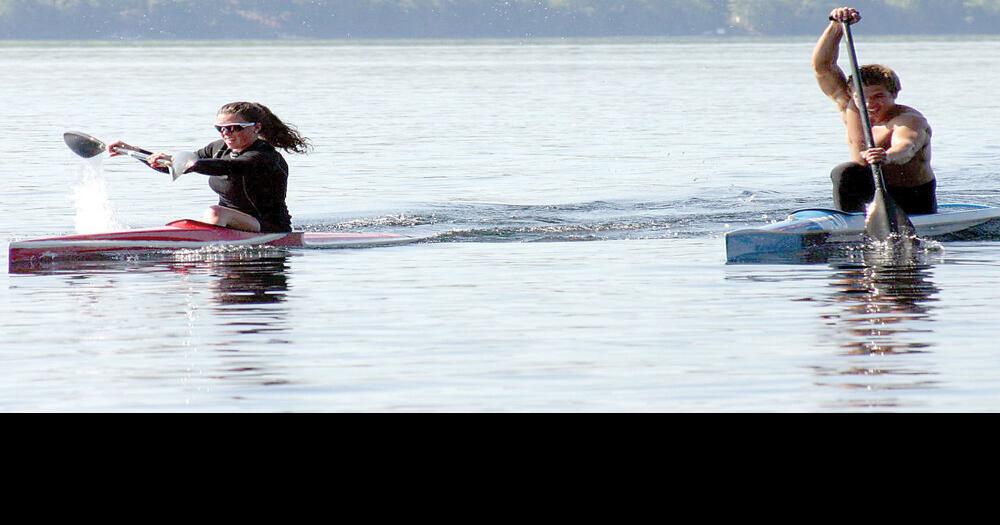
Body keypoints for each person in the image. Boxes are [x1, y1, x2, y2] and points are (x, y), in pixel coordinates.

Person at [109, 102, 311, 232]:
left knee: (216, 212)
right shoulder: (217, 148)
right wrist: (134, 151)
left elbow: (228, 166)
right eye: (220, 129)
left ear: (256, 127)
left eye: (233, 128)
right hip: (232, 224)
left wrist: (191, 164)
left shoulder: (265, 156)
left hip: (270, 227)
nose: (225, 133)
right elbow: (174, 167)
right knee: (214, 213)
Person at [813, 6, 937, 215]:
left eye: (878, 96)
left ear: (893, 94)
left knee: (849, 170)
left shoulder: (907, 120)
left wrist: (886, 156)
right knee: (845, 172)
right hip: (871, 189)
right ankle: (850, 222)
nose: (869, 103)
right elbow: (823, 67)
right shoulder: (849, 106)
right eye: (862, 97)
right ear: (852, 95)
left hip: (912, 197)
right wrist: (836, 26)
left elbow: (906, 147)